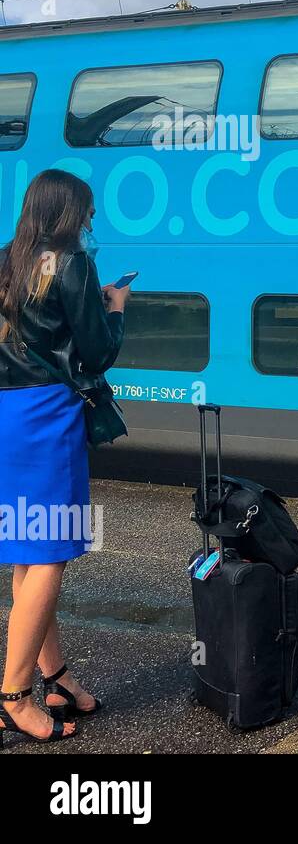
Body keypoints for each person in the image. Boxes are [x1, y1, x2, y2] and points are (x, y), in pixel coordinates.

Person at [0, 170, 127, 746]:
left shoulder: (6, 260)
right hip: (47, 417)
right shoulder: (71, 263)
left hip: (5, 415)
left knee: (30, 553)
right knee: (49, 554)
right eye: (87, 210)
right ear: (67, 212)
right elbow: (98, 350)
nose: (91, 220)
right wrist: (116, 309)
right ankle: (13, 699)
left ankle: (55, 678)